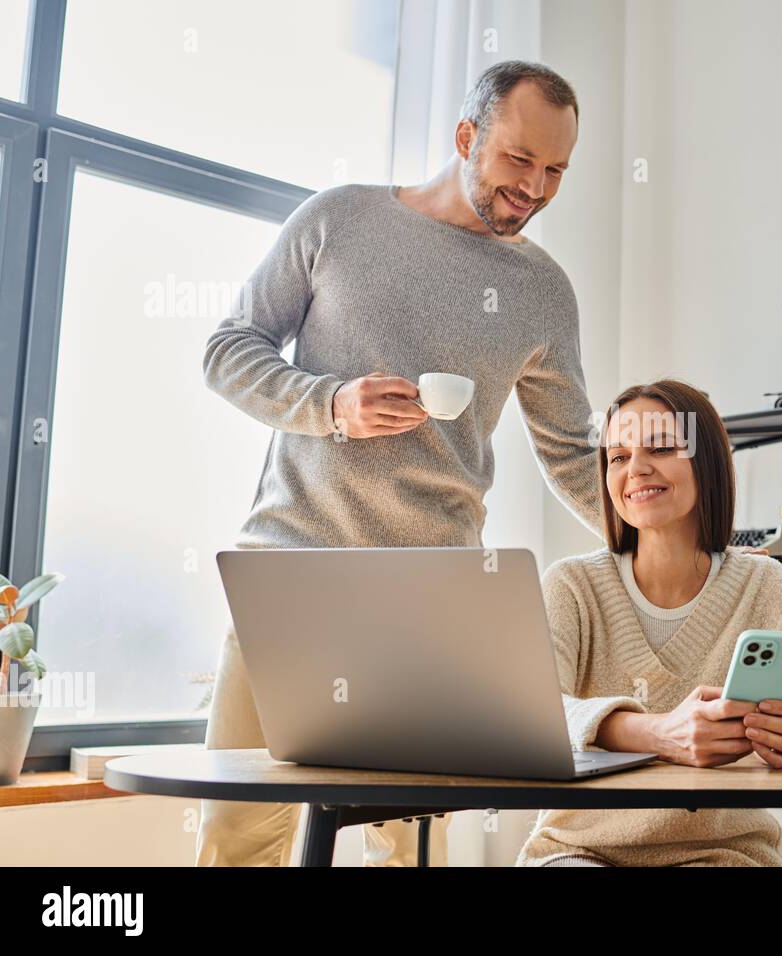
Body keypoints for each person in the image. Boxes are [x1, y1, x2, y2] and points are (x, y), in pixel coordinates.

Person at [197, 60, 602, 866]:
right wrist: (331, 404)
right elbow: (226, 349)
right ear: (465, 137)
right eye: (519, 160)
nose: (536, 188)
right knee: (238, 839)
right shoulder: (339, 221)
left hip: (431, 602)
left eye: (556, 169)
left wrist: (680, 539)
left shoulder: (544, 292)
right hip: (288, 575)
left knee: (407, 849)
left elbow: (573, 455)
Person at [515, 379, 782, 867]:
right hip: (579, 850)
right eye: (617, 456)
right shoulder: (572, 586)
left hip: (725, 853)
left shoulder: (762, 584)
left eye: (660, 447)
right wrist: (656, 733)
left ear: (707, 463)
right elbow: (530, 716)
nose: (636, 469)